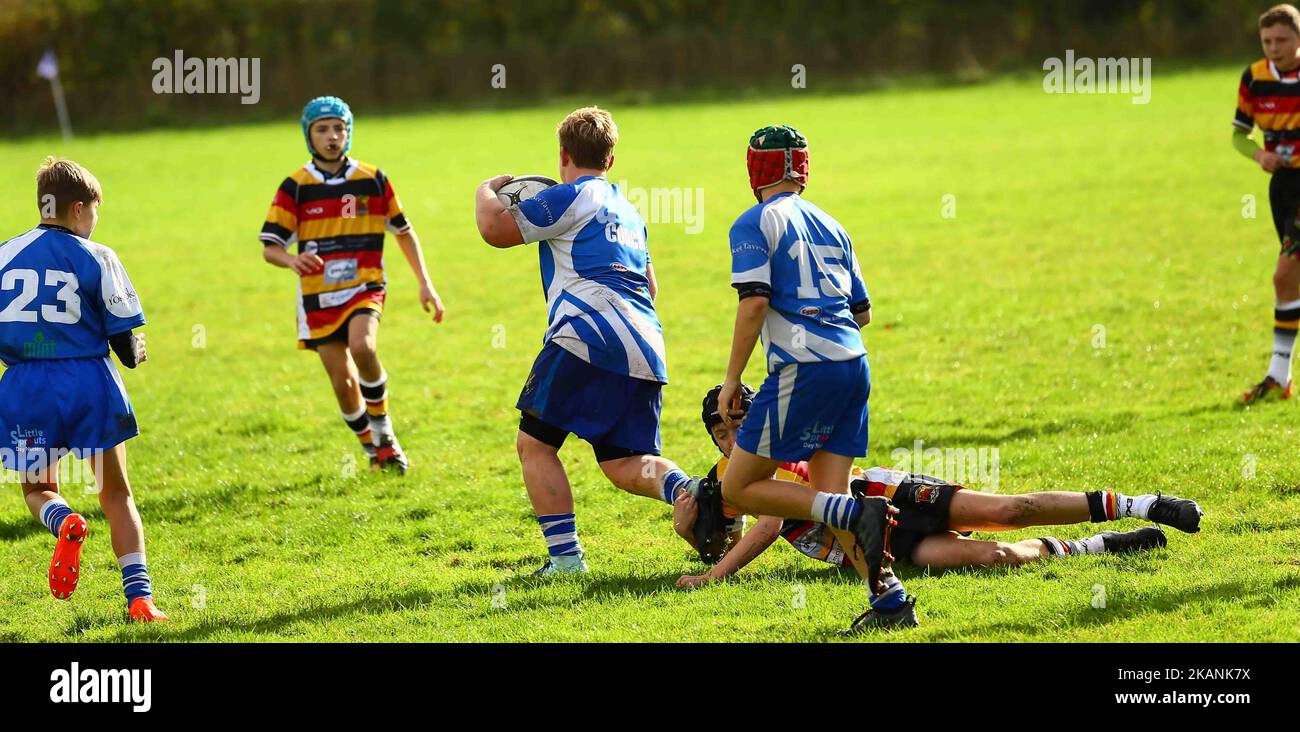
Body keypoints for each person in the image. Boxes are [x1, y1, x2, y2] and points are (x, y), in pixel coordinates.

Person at [673, 385, 1202, 594]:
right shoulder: (724, 480)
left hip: (888, 497)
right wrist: (692, 532)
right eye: (725, 429)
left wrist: (712, 576)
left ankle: (1147, 503)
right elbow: (728, 534)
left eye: (743, 421)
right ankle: (1103, 544)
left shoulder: (776, 448)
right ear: (714, 437)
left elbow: (767, 525)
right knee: (994, 557)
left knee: (1009, 510)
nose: (737, 435)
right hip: (878, 546)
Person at [474, 106, 693, 575]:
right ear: (611, 159)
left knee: (535, 445)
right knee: (625, 461)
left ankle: (566, 560)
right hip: (646, 342)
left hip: (587, 334)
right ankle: (688, 492)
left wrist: (486, 191)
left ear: (564, 154)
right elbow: (651, 286)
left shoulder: (572, 196)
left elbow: (495, 229)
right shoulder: (629, 211)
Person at [713, 125, 909, 630]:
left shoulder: (754, 222)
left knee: (739, 486)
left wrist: (733, 378)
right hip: (853, 364)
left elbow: (754, 301)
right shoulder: (833, 225)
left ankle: (853, 517)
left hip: (805, 370)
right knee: (832, 490)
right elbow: (861, 312)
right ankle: (891, 604)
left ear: (754, 169)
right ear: (802, 167)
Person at [0, 157, 167, 621]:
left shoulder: (4, 254)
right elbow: (126, 344)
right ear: (78, 209)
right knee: (117, 495)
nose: (95, 222)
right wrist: (138, 350)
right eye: (94, 212)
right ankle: (140, 599)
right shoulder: (99, 256)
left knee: (37, 489)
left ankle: (64, 520)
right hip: (90, 382)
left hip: (26, 383)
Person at [259, 96, 444, 471]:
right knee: (343, 384)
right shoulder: (295, 186)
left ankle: (385, 432)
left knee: (363, 347)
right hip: (317, 297)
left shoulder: (373, 179)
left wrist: (426, 283)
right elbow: (270, 247)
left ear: (349, 132)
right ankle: (376, 452)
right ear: (309, 135)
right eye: (322, 129)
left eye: (339, 128)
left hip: (365, 285)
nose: (332, 136)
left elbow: (404, 233)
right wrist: (293, 259)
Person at [1233, 4, 1300, 404]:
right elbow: (1239, 136)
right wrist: (1259, 155)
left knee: (1283, 274)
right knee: (1290, 280)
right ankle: (1281, 379)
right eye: (1267, 41)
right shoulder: (1254, 78)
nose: (1274, 48)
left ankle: (1277, 372)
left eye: (1282, 41)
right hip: (1283, 188)